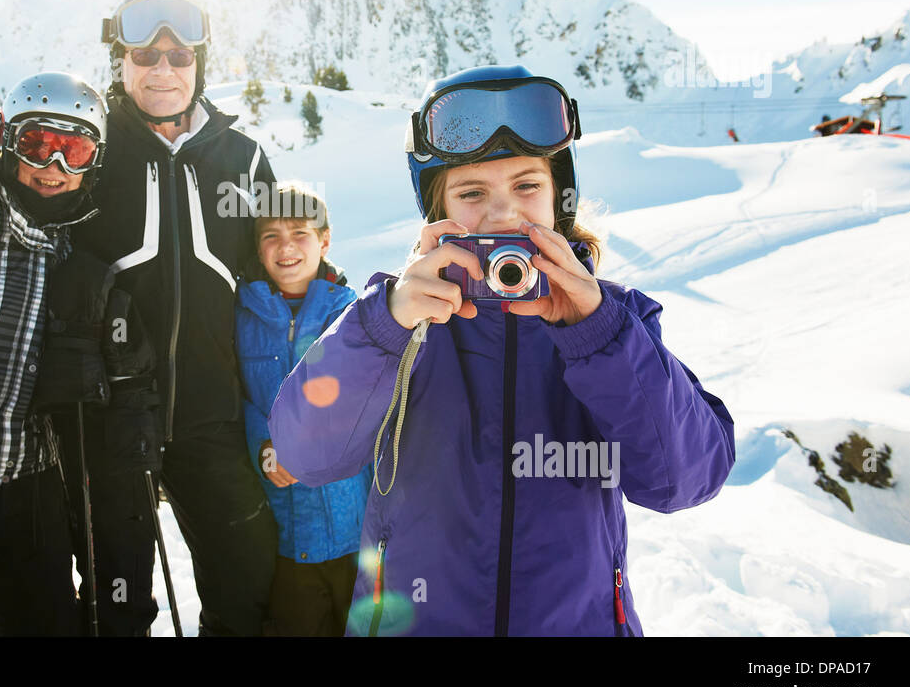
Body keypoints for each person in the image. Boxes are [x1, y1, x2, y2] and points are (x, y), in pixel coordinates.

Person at [269, 65, 736, 636]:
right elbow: (306, 453)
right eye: (471, 192)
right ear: (436, 212)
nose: (503, 214)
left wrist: (598, 336)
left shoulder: (617, 321)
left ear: (559, 199)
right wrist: (384, 326)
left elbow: (684, 479)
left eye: (526, 186)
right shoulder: (393, 318)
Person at [76, 0, 279, 635]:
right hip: (108, 419)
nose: (163, 70)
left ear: (197, 63)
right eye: (144, 54)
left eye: (178, 55)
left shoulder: (241, 158)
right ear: (121, 61)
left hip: (210, 415)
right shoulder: (91, 148)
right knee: (118, 603)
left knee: (245, 583)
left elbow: (283, 253)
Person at [0, 73, 161, 636]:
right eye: (40, 144)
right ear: (11, 143)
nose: (54, 167)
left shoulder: (70, 239)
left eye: (75, 150)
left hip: (24, 472)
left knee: (45, 621)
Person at [236, 182, 369, 636]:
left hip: (356, 532)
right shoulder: (242, 315)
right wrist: (266, 446)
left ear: (325, 240)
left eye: (299, 232)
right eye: (271, 235)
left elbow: (369, 400)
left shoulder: (354, 313)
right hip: (287, 536)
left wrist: (308, 445)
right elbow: (239, 397)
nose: (285, 247)